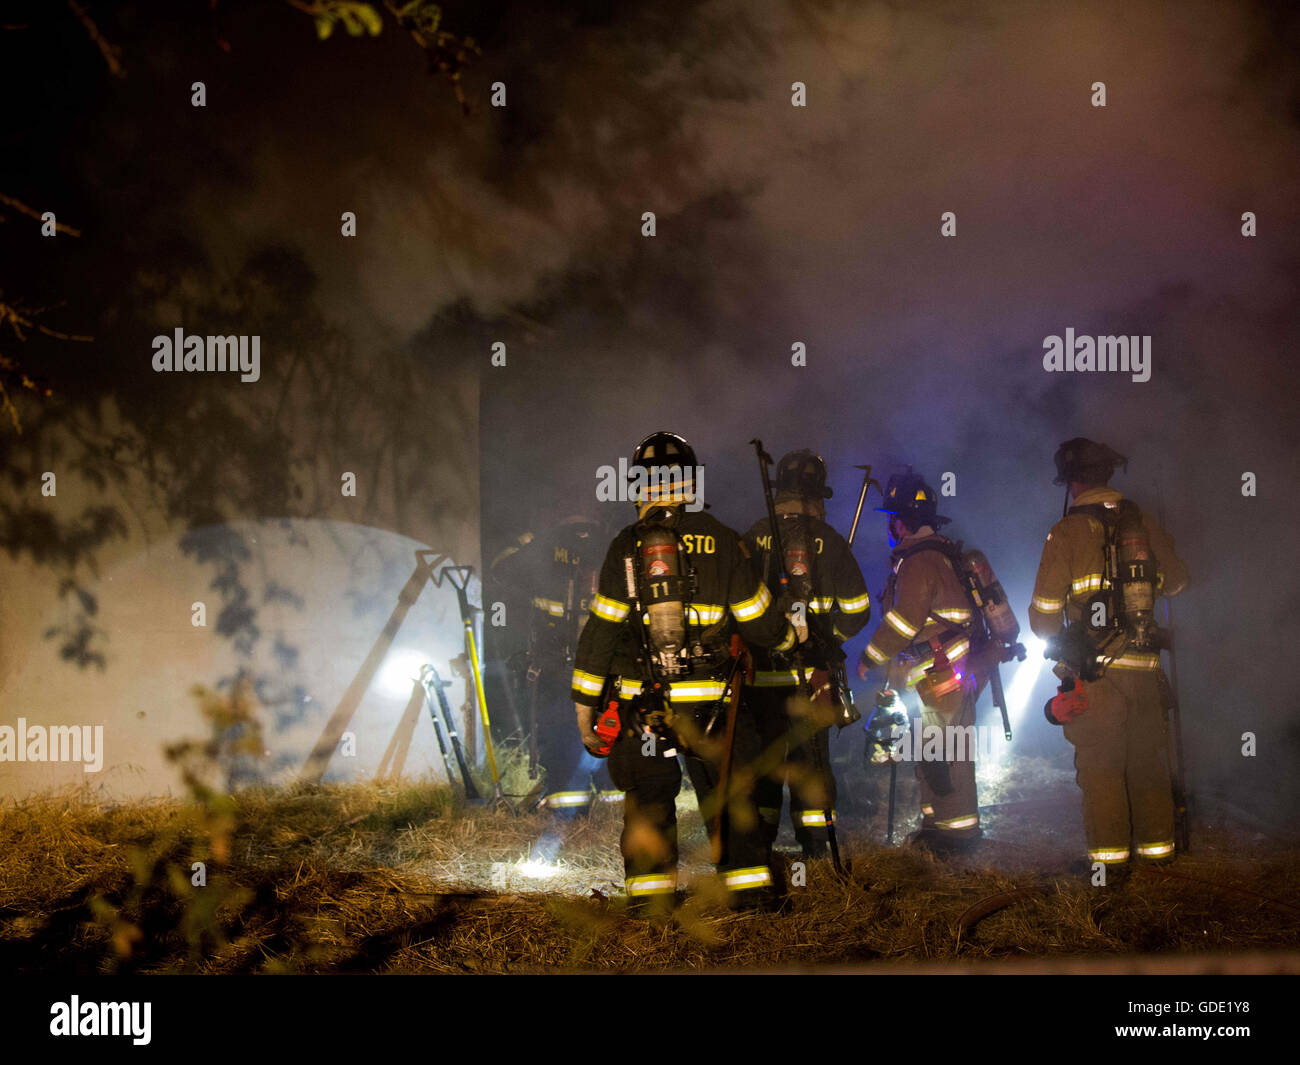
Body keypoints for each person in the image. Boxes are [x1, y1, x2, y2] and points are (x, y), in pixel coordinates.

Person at [570, 432, 797, 914]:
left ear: (638, 485)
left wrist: (585, 708)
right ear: (691, 482)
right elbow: (756, 617)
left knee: (649, 796)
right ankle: (750, 897)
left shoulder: (625, 546)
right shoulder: (721, 537)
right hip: (713, 704)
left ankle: (652, 906)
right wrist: (788, 639)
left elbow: (602, 632)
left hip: (641, 706)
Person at [1029, 437, 1188, 880]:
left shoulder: (1067, 531)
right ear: (1108, 474)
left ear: (1072, 481)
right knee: (1147, 766)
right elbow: (1177, 583)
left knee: (1101, 771)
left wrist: (1062, 634)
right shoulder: (1145, 522)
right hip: (1146, 669)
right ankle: (1159, 861)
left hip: (1096, 674)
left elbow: (1042, 618)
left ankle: (1109, 869)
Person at [742, 449, 871, 859]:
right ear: (820, 495)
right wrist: (826, 639)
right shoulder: (831, 542)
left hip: (761, 676)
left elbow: (738, 607)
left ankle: (759, 848)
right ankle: (814, 852)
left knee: (764, 762)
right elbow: (857, 610)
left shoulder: (754, 535)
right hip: (814, 680)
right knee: (811, 762)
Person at [857, 471, 982, 852]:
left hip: (941, 674)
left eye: (892, 520)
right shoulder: (941, 554)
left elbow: (903, 621)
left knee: (948, 754)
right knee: (933, 752)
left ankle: (958, 836)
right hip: (941, 673)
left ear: (900, 521)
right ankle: (935, 826)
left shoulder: (919, 561)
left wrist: (870, 658)